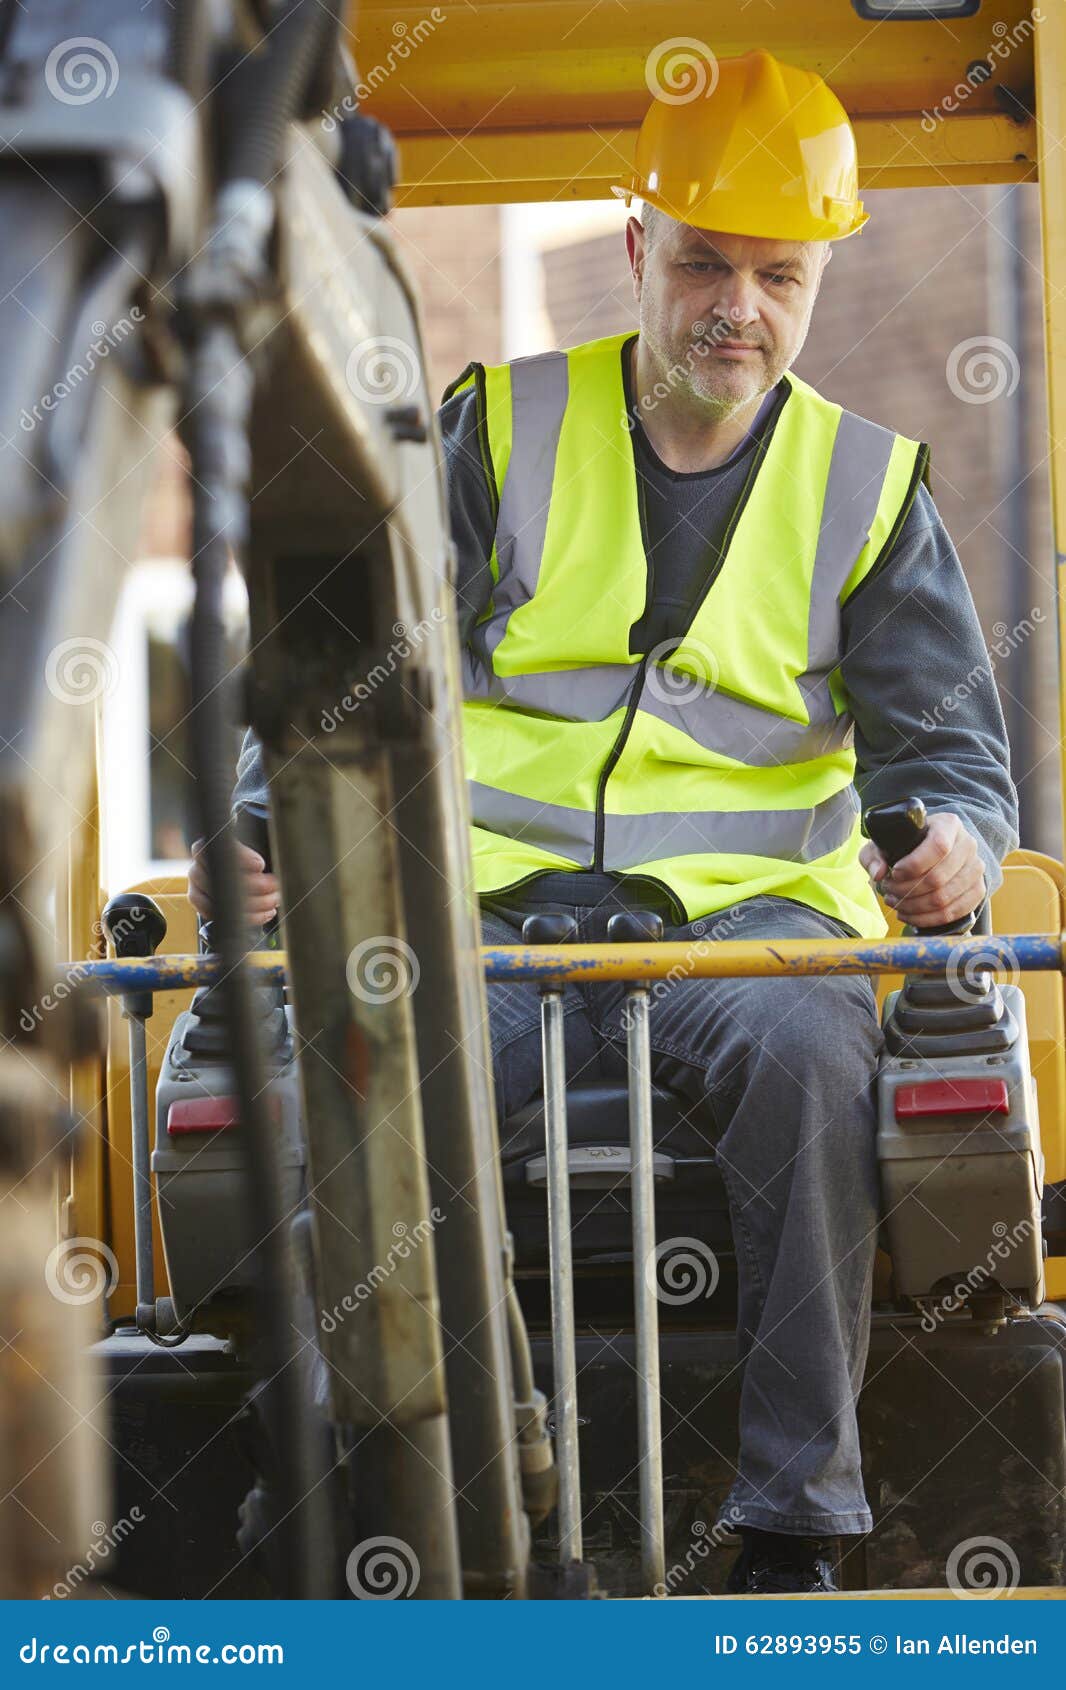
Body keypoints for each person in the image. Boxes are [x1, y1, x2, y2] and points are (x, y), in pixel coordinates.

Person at [189, 49, 1018, 1593]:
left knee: (810, 1045)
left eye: (779, 275)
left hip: (743, 944)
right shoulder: (492, 430)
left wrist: (955, 847)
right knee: (363, 1062)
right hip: (482, 928)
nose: (738, 310)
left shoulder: (866, 484)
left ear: (818, 275)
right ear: (636, 247)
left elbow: (958, 768)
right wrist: (258, 824)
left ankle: (794, 1526)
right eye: (704, 261)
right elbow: (338, 661)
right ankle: (348, 1489)